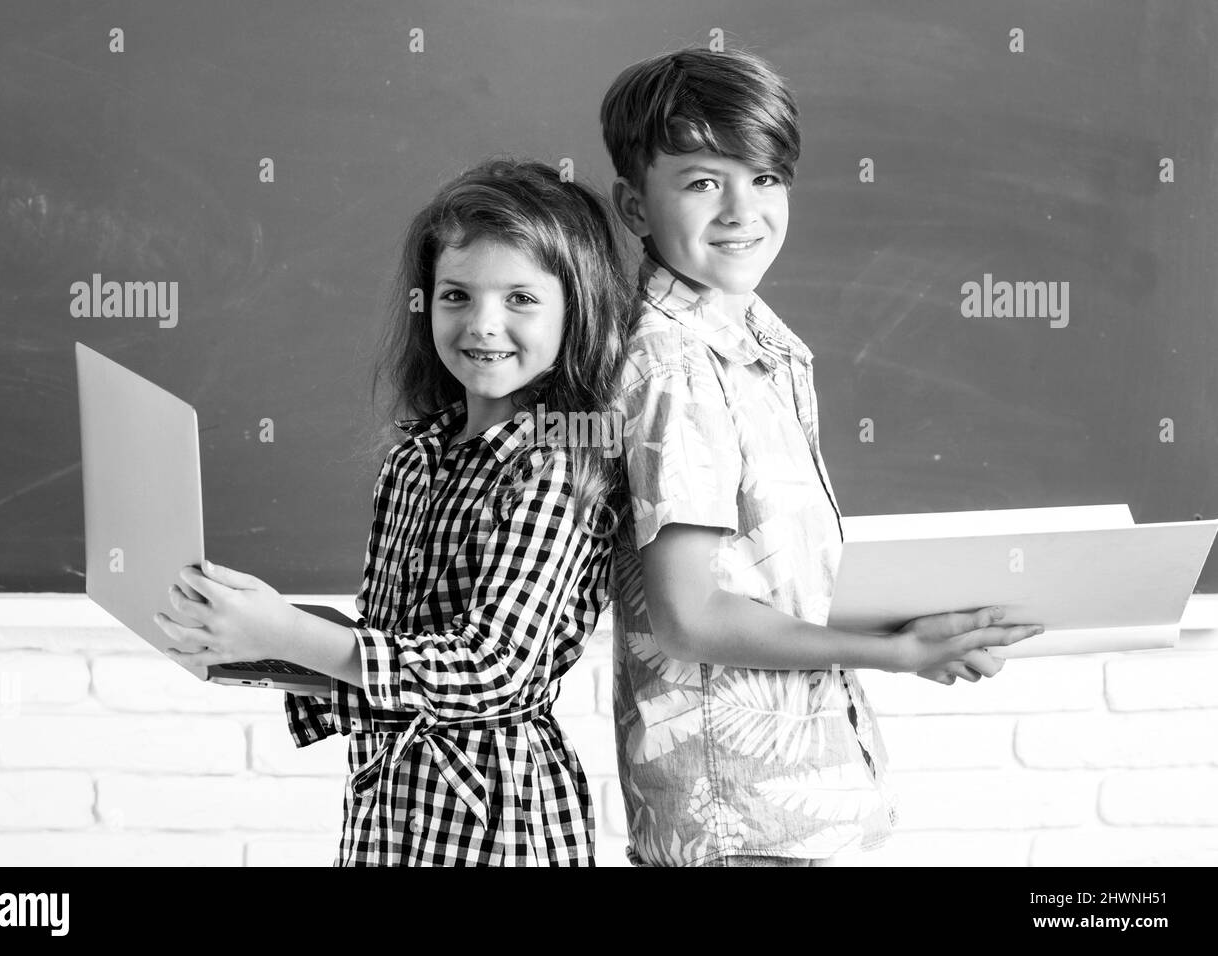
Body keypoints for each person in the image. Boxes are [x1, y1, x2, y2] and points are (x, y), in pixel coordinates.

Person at [598, 47, 1042, 866]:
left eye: (764, 178)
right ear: (634, 205)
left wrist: (922, 631)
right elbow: (689, 616)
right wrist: (894, 654)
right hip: (736, 820)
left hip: (797, 800)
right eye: (702, 182)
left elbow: (772, 589)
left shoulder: (756, 346)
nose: (742, 209)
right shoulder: (676, 367)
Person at [154, 158, 636, 865]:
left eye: (521, 300)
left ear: (578, 308)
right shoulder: (414, 460)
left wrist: (287, 632)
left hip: (497, 818)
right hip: (392, 805)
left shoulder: (555, 463)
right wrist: (253, 638)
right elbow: (392, 648)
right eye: (456, 295)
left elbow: (489, 667)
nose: (483, 323)